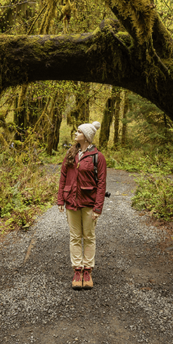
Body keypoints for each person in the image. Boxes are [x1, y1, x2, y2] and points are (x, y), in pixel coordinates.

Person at [57, 121, 107, 290]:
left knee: (89, 236)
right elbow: (63, 177)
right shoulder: (70, 154)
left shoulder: (98, 157)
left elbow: (101, 184)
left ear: (86, 136)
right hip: (71, 202)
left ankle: (88, 271)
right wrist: (60, 200)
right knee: (75, 237)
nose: (75, 133)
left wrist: (98, 208)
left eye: (78, 132)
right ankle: (77, 270)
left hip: (89, 204)